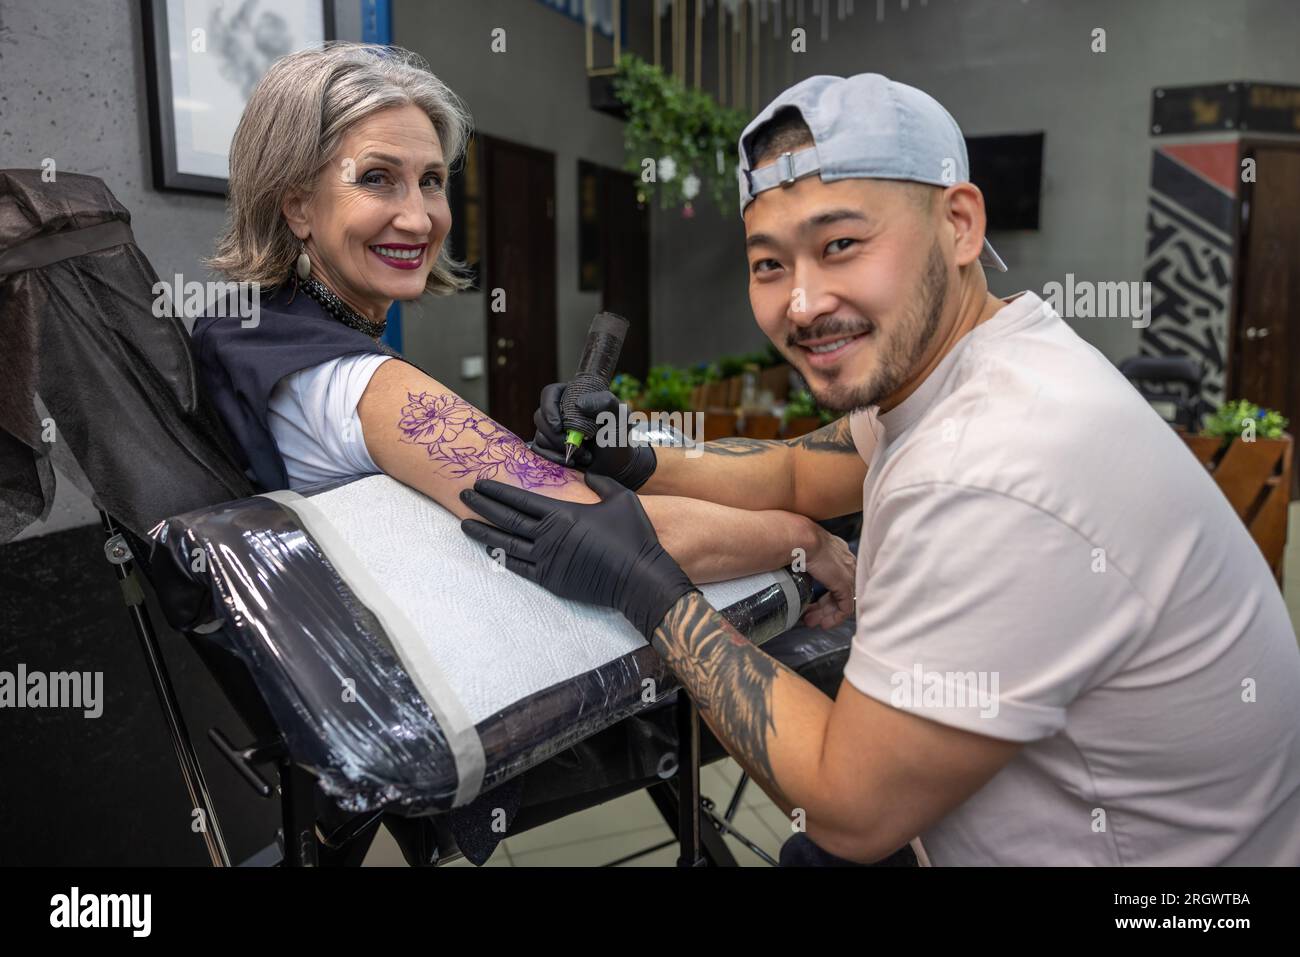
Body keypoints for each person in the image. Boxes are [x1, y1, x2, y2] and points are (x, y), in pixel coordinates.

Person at [464, 73, 1300, 865]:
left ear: (961, 223)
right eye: (769, 263)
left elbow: (849, 807)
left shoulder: (992, 466)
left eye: (842, 243)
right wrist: (641, 455)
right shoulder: (983, 356)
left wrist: (646, 586)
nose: (801, 301)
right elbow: (798, 473)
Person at [192, 42, 856, 606]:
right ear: (299, 207)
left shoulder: (256, 332)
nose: (420, 218)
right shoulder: (358, 383)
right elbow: (593, 535)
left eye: (430, 180)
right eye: (376, 179)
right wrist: (806, 541)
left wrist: (609, 458)